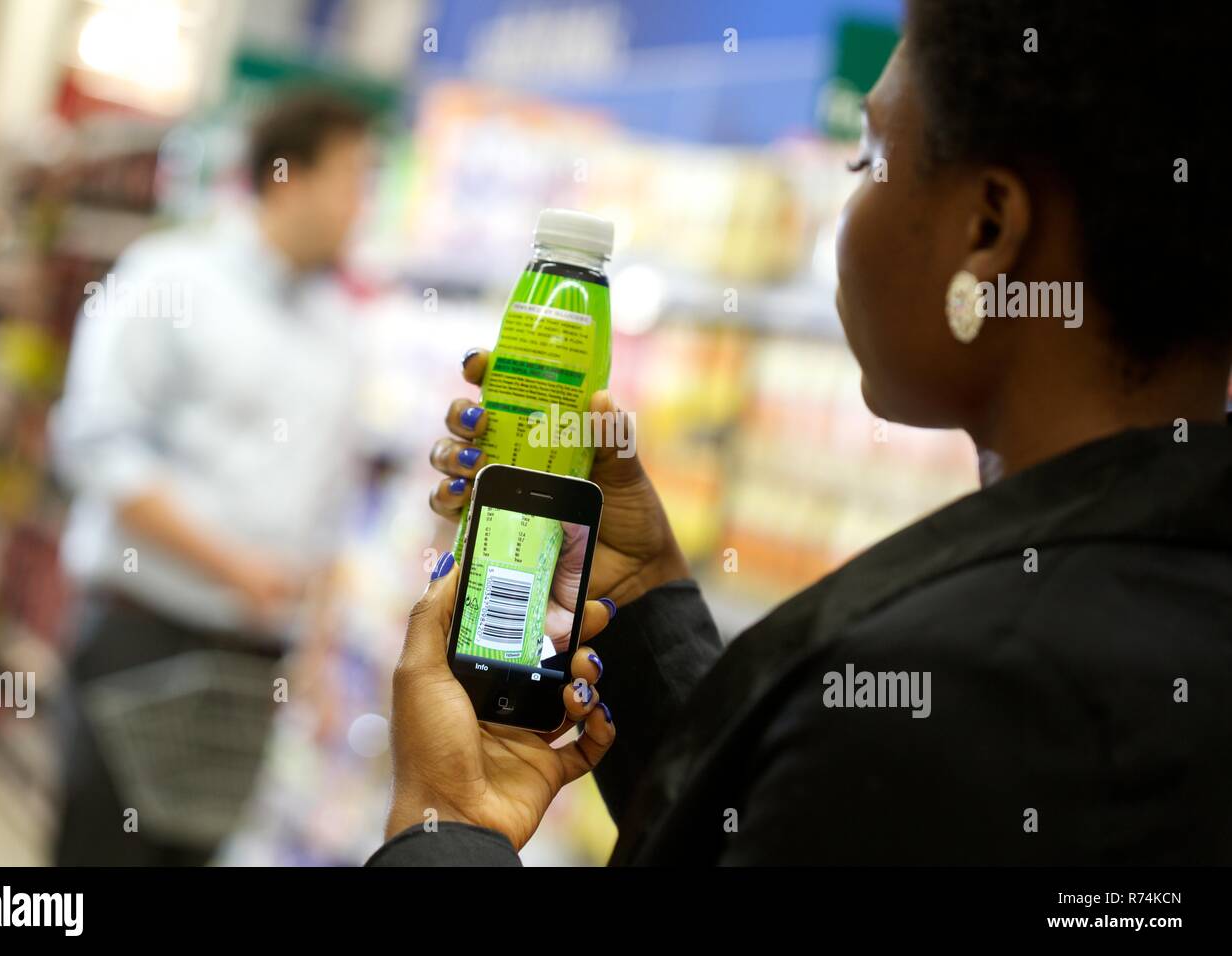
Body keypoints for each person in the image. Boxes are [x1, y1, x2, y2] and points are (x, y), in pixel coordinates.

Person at [368, 0, 1232, 865]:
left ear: (987, 230)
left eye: (870, 157)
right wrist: (644, 601)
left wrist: (444, 823)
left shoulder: (951, 690)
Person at [49, 91, 374, 865]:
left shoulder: (341, 331)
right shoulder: (171, 278)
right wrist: (234, 568)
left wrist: (319, 657)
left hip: (252, 665)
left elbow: (328, 506)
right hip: (142, 632)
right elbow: (98, 446)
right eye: (353, 179)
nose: (362, 205)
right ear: (288, 177)